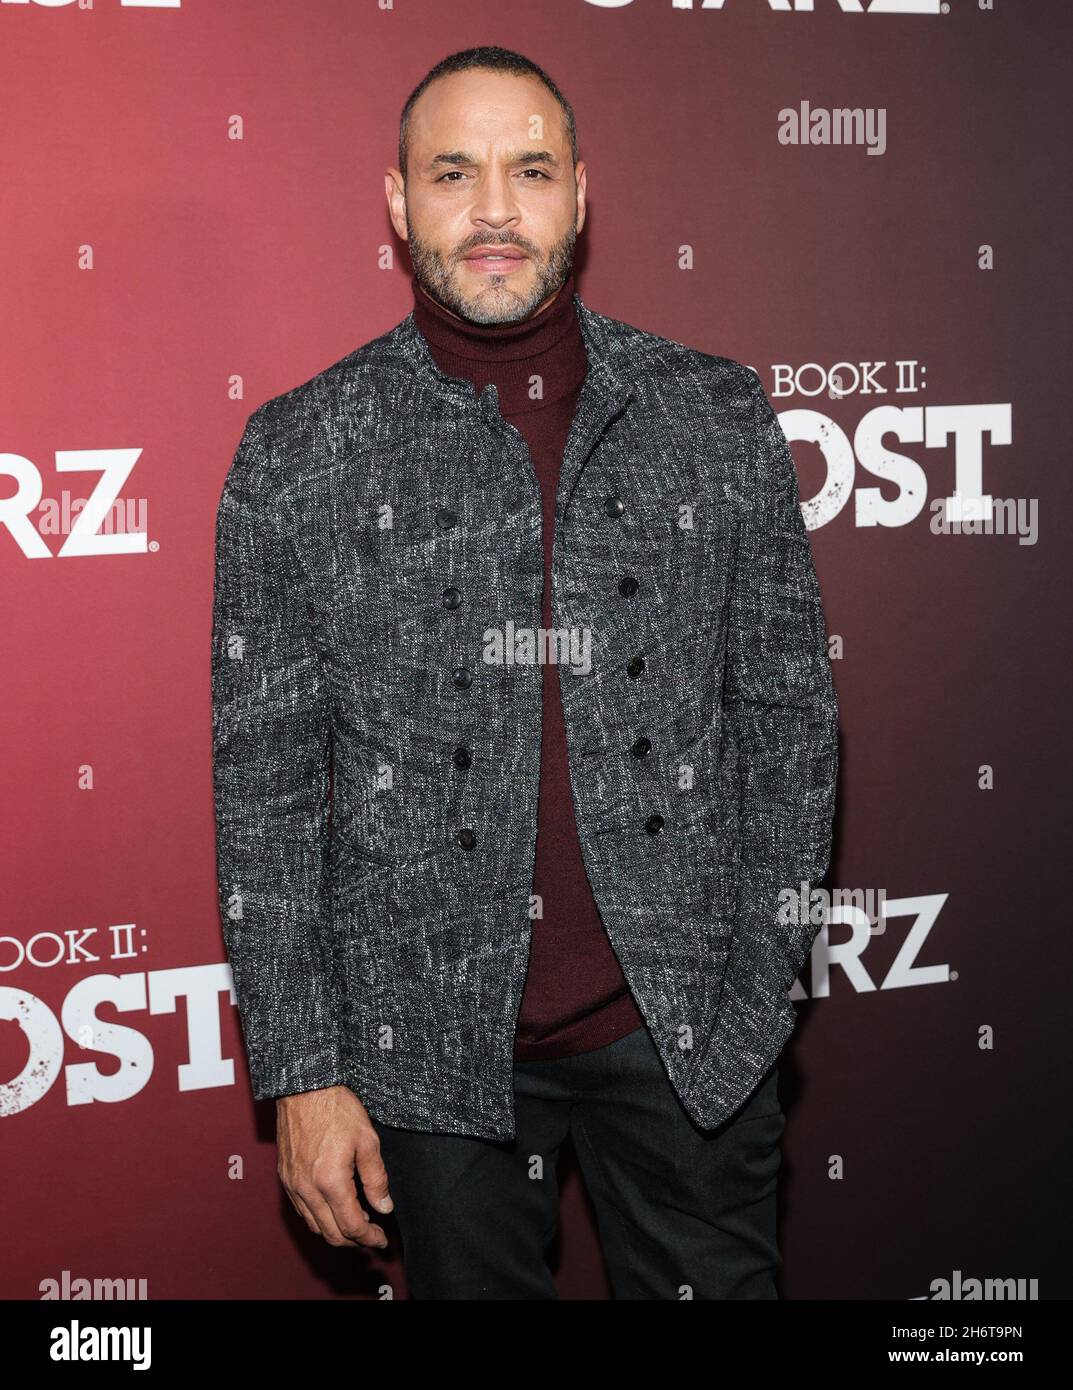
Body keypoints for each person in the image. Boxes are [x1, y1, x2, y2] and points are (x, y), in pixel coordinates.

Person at [211, 45, 839, 1300]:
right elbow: (268, 792)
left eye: (529, 169)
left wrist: (756, 989)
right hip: (426, 1055)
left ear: (579, 196)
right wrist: (303, 1068)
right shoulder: (296, 452)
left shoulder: (710, 414)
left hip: (686, 1041)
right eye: (454, 171)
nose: (494, 207)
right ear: (398, 204)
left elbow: (788, 716)